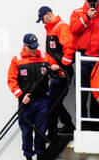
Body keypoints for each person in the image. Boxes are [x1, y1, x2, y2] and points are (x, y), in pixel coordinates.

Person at [7, 34, 64, 160]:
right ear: (25, 46)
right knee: (26, 131)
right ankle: (28, 157)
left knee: (41, 129)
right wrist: (21, 96)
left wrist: (56, 68)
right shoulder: (17, 60)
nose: (34, 50)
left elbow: (54, 68)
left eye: (35, 47)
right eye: (31, 48)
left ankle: (40, 155)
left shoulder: (44, 57)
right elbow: (11, 81)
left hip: (42, 100)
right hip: (26, 103)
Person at [69, 0, 99, 114]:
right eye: (90, 1)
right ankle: (83, 123)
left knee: (98, 91)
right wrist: (86, 18)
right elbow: (74, 29)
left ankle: (96, 123)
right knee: (82, 92)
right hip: (83, 57)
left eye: (94, 1)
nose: (92, 3)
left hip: (98, 57)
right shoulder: (77, 13)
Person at [39, 6, 76, 136]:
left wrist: (63, 66)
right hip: (55, 72)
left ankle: (60, 127)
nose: (43, 22)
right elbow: (50, 54)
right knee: (54, 101)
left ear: (48, 14)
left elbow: (70, 47)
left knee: (53, 101)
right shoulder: (50, 30)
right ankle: (57, 127)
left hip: (62, 72)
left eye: (42, 19)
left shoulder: (62, 27)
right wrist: (51, 67)